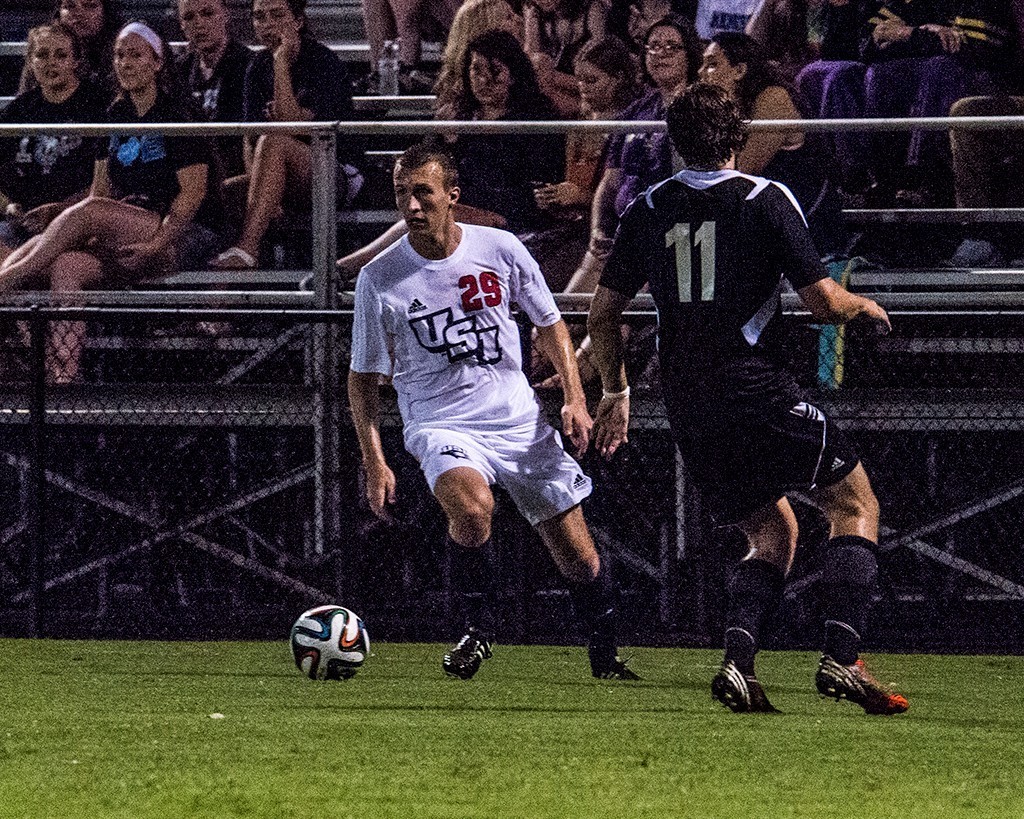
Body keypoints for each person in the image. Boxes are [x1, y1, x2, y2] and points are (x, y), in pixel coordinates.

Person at [587, 82, 909, 714]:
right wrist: (863, 305)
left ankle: (739, 665)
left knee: (772, 529)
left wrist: (615, 390)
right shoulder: (764, 199)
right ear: (737, 137)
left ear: (674, 142)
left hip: (685, 398)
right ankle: (842, 659)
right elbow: (822, 301)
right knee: (855, 502)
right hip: (752, 385)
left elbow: (603, 313)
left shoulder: (647, 207)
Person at [348, 143, 640, 681]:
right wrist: (375, 459)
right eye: (400, 195)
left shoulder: (500, 249)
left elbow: (549, 323)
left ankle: (605, 658)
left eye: (423, 194)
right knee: (472, 506)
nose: (411, 206)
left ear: (452, 197)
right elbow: (362, 380)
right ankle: (476, 630)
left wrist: (575, 399)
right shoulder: (379, 278)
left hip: (515, 420)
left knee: (578, 555)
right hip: (437, 422)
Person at [0, 22, 220, 381]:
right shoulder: (115, 114)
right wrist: (74, 232)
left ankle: (9, 278)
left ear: (158, 62)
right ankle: (61, 378)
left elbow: (193, 194)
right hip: (124, 227)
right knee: (66, 265)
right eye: (119, 55)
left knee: (89, 213)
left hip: (178, 232)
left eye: (136, 55)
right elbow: (102, 190)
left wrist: (156, 245)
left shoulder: (175, 112)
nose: (126, 63)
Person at [211, 0, 359, 269]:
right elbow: (250, 137)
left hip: (334, 171)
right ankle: (245, 282)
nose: (267, 24)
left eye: (277, 15)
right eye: (259, 17)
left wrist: (280, 64)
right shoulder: (256, 66)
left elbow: (289, 126)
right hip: (281, 170)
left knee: (275, 141)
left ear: (298, 21)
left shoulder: (323, 62)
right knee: (228, 190)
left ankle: (247, 247)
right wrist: (260, 182)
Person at [698, 32, 845, 255]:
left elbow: (741, 173)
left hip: (805, 223)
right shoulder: (728, 108)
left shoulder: (773, 98)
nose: (701, 73)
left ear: (739, 71)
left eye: (712, 65)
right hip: (766, 220)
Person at [0, 22, 107, 262]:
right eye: (42, 55)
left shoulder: (100, 106)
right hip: (23, 223)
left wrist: (60, 210)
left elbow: (110, 182)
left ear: (76, 61)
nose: (51, 63)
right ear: (30, 60)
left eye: (61, 55)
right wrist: (9, 206)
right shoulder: (18, 111)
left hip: (79, 221)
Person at [177, 0, 253, 180]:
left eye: (207, 13)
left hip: (233, 171)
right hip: (189, 171)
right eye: (189, 17)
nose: (199, 23)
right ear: (182, 25)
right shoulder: (178, 71)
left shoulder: (250, 65)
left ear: (225, 15)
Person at [523, 0, 608, 117]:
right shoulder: (536, 13)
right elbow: (529, 58)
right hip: (554, 83)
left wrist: (553, 76)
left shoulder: (592, 7)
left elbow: (599, 58)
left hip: (588, 81)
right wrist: (532, 20)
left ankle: (584, 111)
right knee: (537, 66)